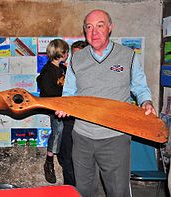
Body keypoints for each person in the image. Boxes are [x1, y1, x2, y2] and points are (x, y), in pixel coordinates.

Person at [56, 9, 156, 197]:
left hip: (115, 137)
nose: (94, 32)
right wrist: (64, 106)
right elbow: (69, 93)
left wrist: (146, 102)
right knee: (84, 191)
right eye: (89, 27)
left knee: (118, 191)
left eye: (100, 26)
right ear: (84, 31)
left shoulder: (128, 56)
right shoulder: (77, 58)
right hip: (82, 137)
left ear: (110, 28)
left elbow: (140, 87)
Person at [36, 39, 69, 184]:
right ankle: (49, 161)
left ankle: (61, 157)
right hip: (55, 106)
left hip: (64, 106)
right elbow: (47, 91)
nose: (67, 54)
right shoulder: (48, 70)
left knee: (64, 132)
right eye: (66, 52)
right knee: (58, 130)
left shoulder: (62, 68)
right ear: (61, 53)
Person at [57, 40, 88, 186]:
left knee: (85, 162)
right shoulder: (68, 72)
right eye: (74, 55)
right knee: (65, 158)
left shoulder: (92, 75)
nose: (77, 59)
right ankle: (70, 190)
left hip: (87, 124)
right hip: (70, 122)